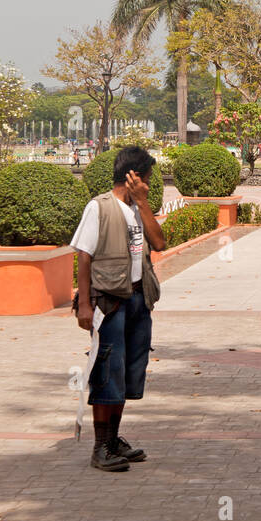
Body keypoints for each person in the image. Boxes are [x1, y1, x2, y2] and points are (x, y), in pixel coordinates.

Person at [70, 146, 167, 472]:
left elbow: (160, 243)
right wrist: (84, 304)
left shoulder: (138, 208)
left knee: (126, 373)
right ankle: (100, 447)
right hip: (109, 302)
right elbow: (83, 256)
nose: (150, 186)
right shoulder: (99, 207)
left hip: (138, 299)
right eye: (148, 179)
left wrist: (142, 202)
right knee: (107, 371)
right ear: (133, 176)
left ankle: (113, 439)